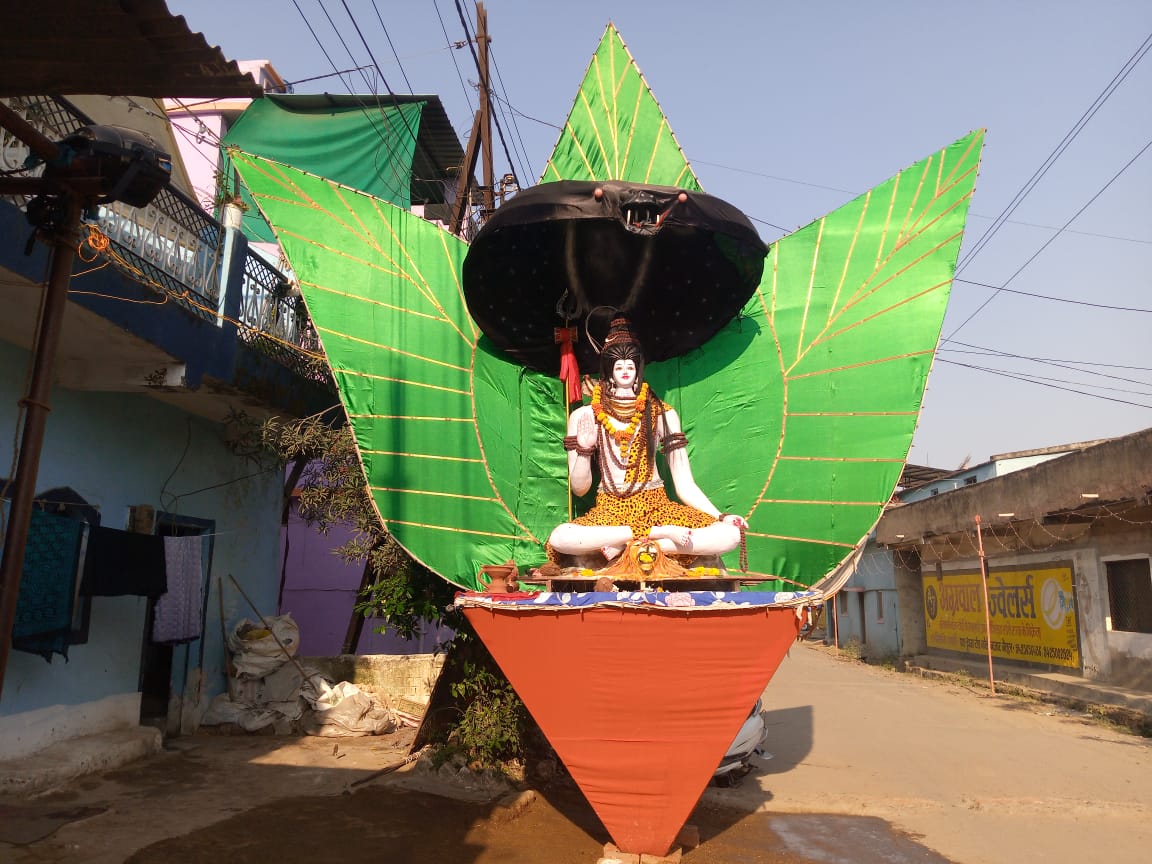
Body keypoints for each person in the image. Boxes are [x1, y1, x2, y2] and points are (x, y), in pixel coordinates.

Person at [547, 317, 746, 564]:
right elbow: (580, 489)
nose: (625, 372)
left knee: (729, 535)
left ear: (639, 368)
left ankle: (635, 546)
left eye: (630, 366)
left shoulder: (661, 412)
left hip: (657, 508)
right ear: (608, 369)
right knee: (561, 537)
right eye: (618, 366)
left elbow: (684, 484)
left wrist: (721, 516)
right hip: (610, 512)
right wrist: (586, 450)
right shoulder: (585, 415)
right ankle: (658, 537)